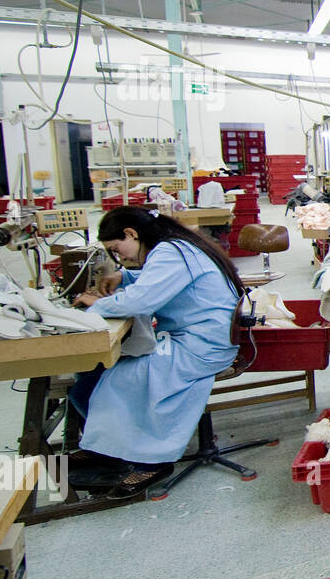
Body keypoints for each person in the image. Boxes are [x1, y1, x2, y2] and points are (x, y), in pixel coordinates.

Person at [66, 207, 243, 496]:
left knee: (121, 376)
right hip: (200, 336)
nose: (119, 257)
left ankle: (150, 459)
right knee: (100, 374)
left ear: (131, 234)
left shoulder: (170, 251)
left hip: (202, 346)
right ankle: (109, 448)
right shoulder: (175, 247)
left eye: (117, 249)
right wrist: (123, 278)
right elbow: (155, 281)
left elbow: (141, 302)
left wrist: (93, 303)